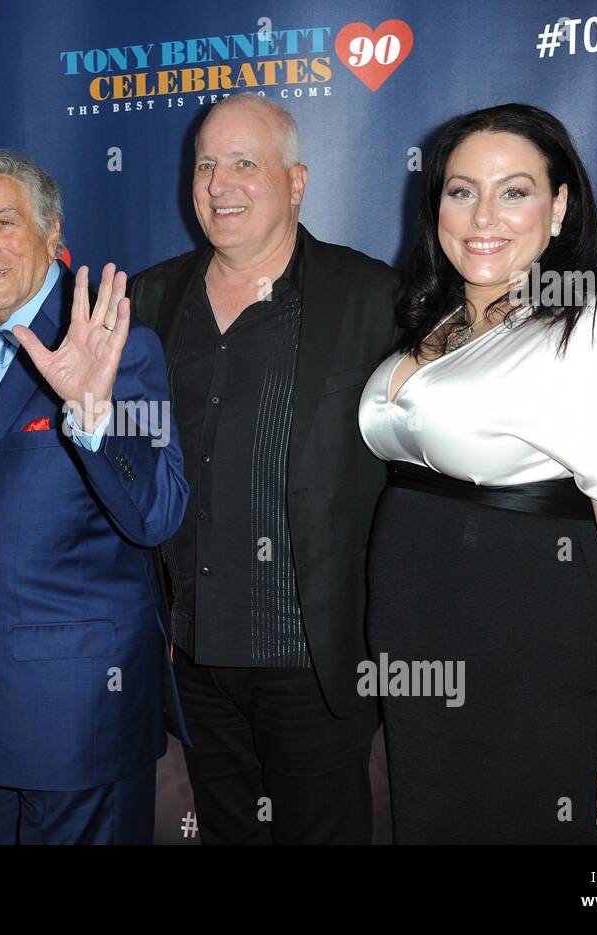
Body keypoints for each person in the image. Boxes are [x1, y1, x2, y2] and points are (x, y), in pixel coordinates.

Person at [358, 103, 597, 844]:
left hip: (531, 663)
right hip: (422, 665)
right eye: (460, 190)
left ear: (559, 207)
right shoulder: (440, 323)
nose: (482, 214)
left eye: (514, 190)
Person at [130, 94, 398, 844]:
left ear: (298, 180)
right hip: (194, 655)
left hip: (312, 660)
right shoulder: (148, 300)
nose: (220, 184)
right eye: (206, 165)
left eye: (245, 163)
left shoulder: (372, 297)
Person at [0, 149, 189, 845]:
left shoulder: (113, 342)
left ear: (51, 229)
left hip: (78, 712)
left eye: (4, 222)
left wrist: (94, 415)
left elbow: (156, 512)